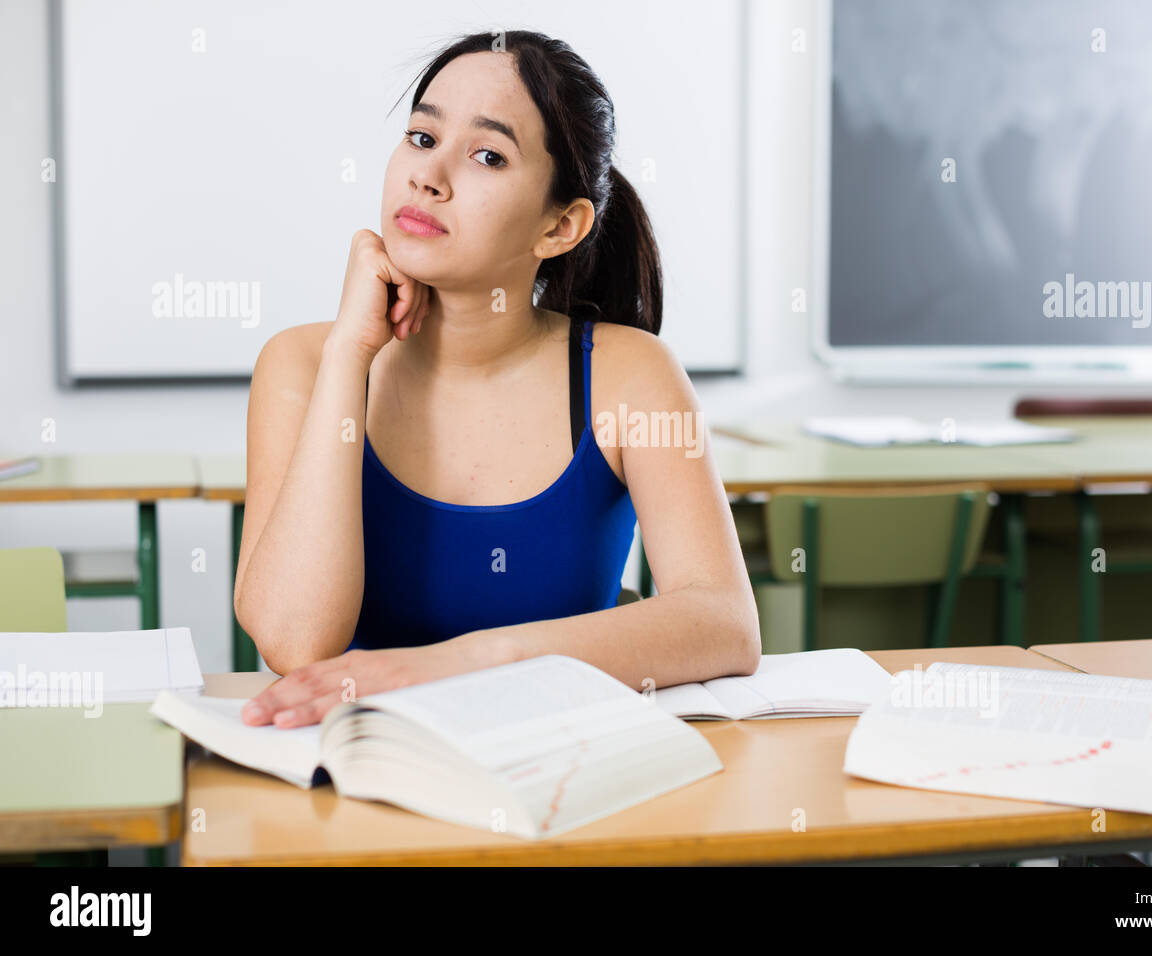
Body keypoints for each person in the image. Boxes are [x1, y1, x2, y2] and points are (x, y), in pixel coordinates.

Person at [235, 30, 759, 728]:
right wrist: (348, 356)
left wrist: (449, 665)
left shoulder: (628, 375)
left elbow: (724, 623)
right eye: (422, 137)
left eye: (487, 155)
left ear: (560, 227)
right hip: (353, 777)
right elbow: (294, 643)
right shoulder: (304, 364)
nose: (429, 175)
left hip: (564, 771)